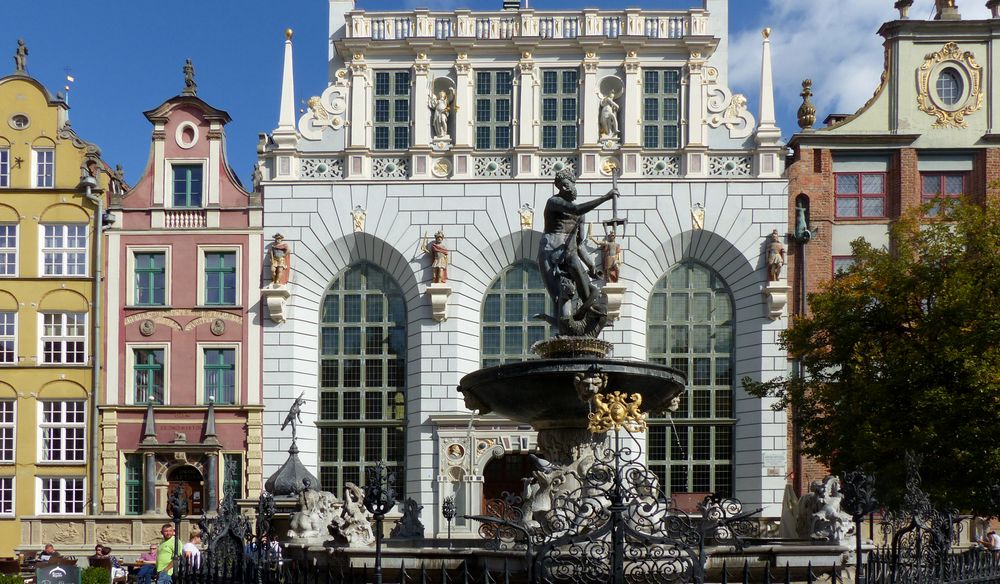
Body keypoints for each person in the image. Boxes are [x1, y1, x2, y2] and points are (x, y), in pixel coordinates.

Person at [537, 169, 617, 331]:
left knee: (587, 290)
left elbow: (580, 244)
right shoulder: (554, 202)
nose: (567, 189)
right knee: (561, 295)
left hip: (569, 253)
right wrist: (605, 198)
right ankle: (566, 326)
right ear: (559, 187)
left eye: (569, 185)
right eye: (563, 186)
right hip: (550, 252)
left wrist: (591, 266)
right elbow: (576, 209)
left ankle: (589, 318)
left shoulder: (580, 215)